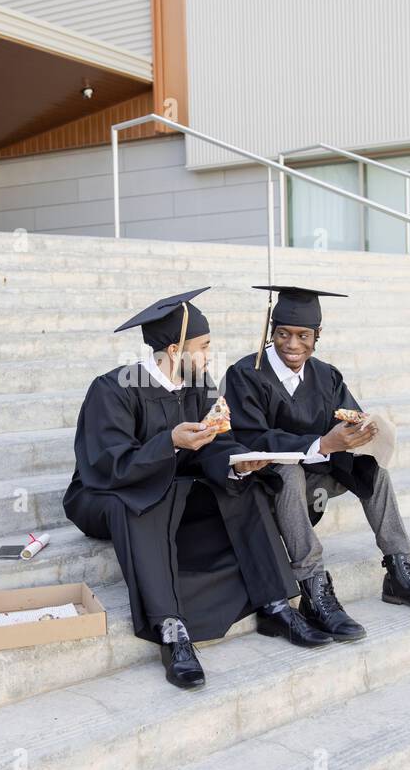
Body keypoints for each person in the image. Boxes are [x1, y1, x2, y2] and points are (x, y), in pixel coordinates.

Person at [63, 287, 332, 690]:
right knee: (140, 502)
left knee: (247, 487)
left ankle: (274, 604)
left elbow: (216, 445)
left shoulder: (199, 386)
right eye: (203, 347)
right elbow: (107, 463)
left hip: (174, 487)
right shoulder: (114, 388)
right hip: (105, 493)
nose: (209, 355)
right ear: (174, 349)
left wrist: (239, 463)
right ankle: (171, 629)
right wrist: (170, 442)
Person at [223, 285, 410, 642]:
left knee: (372, 468)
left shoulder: (326, 375)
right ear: (271, 333)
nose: (292, 344)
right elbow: (253, 438)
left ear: (318, 335)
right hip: (268, 480)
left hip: (318, 471)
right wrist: (321, 443)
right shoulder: (246, 374)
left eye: (303, 335)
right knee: (288, 471)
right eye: (283, 333)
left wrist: (363, 432)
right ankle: (313, 587)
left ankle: (400, 570)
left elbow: (346, 418)